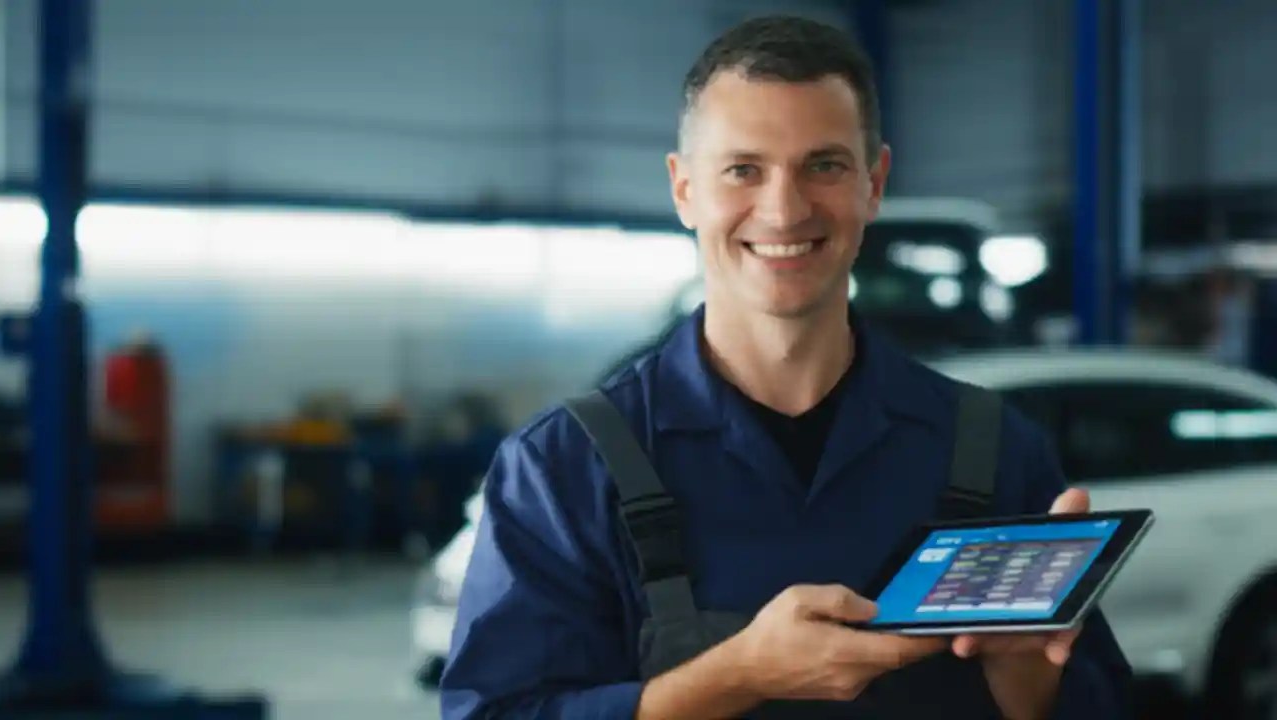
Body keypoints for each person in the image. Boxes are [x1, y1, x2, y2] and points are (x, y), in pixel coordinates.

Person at [441, 15, 1132, 719]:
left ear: (875, 182)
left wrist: (1027, 676)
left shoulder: (993, 454)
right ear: (684, 190)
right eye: (744, 170)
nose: (784, 209)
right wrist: (737, 675)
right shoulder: (564, 468)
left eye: (824, 166)